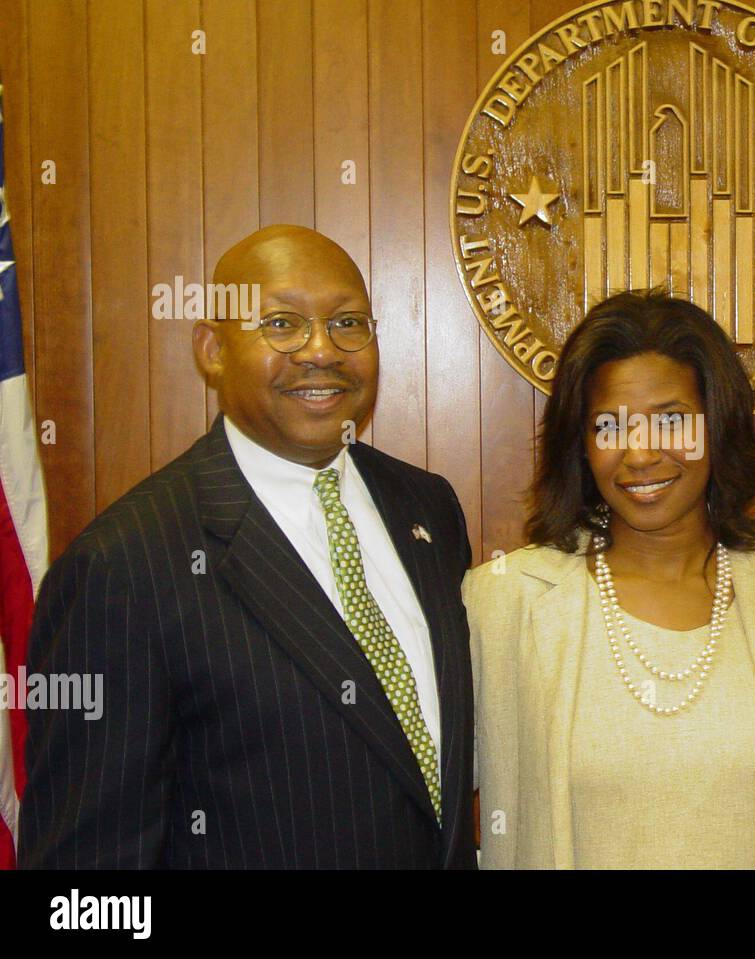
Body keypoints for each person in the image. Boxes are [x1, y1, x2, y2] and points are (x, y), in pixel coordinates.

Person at [20, 225, 476, 868]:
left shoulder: (427, 510)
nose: (322, 350)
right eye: (282, 324)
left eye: (349, 322)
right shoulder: (121, 568)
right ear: (212, 349)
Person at [465, 290, 755, 868]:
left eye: (671, 421)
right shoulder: (505, 600)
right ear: (581, 446)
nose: (639, 455)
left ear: (717, 426)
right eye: (608, 426)